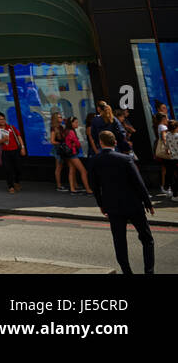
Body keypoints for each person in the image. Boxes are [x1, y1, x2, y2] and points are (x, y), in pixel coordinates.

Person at [88, 130, 155, 274]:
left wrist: (101, 204)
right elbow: (138, 183)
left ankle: (127, 271)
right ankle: (149, 271)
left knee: (119, 242)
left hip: (113, 207)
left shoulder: (95, 160)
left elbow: (94, 186)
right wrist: (148, 203)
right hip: (133, 204)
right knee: (147, 239)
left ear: (100, 143)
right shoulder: (125, 159)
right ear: (115, 143)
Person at [0, 111, 25, 193]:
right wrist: (2, 140)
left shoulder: (11, 127)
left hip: (15, 150)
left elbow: (19, 136)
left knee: (18, 168)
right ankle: (10, 186)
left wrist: (22, 147)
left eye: (3, 119)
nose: (2, 121)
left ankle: (17, 182)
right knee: (8, 169)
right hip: (5, 152)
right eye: (0, 119)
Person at [64, 117, 90, 194]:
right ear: (71, 123)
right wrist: (76, 144)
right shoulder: (71, 132)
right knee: (83, 171)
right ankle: (87, 189)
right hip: (73, 153)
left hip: (68, 153)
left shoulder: (67, 131)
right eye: (75, 122)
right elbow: (78, 144)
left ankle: (73, 188)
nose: (77, 124)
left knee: (72, 170)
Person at [49, 112, 67, 191]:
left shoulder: (61, 127)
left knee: (61, 166)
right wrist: (60, 143)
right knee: (59, 167)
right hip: (58, 149)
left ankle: (60, 185)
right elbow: (52, 141)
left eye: (61, 117)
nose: (61, 118)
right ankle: (59, 185)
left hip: (62, 148)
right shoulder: (54, 128)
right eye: (59, 117)